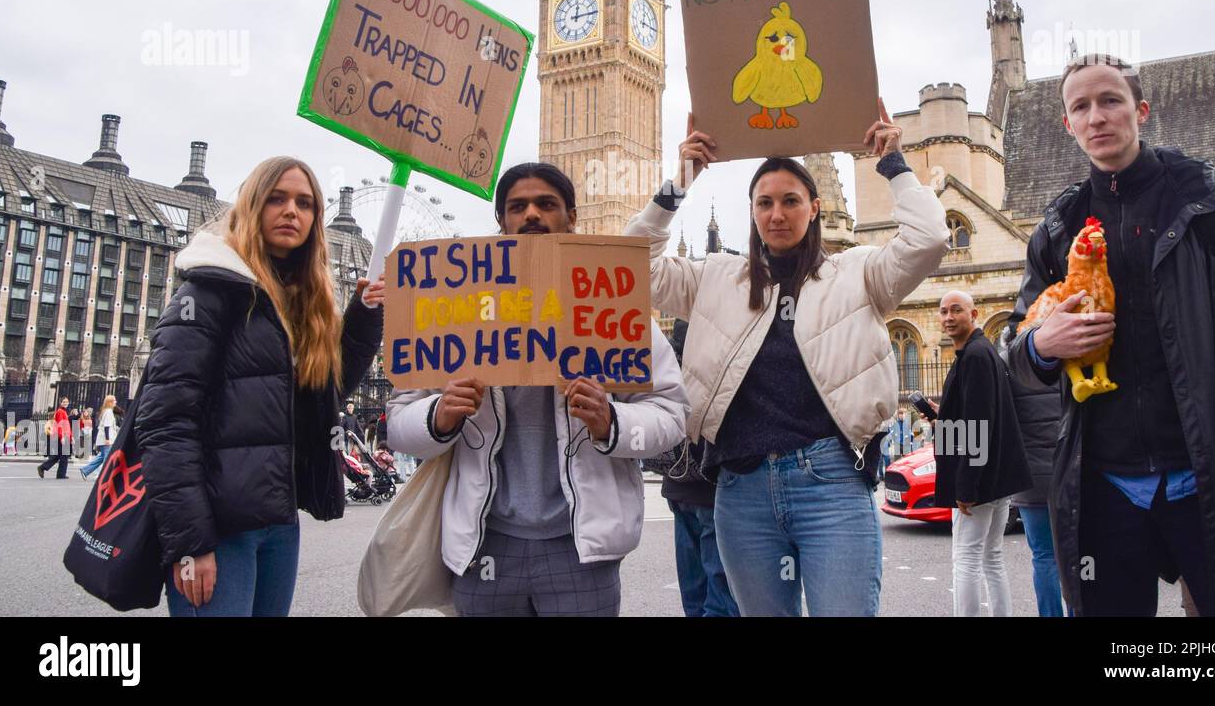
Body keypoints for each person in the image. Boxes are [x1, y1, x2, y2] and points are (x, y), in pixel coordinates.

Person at [624, 107, 949, 616]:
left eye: (791, 201)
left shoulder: (858, 274)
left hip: (832, 483)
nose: (777, 214)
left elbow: (929, 239)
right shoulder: (714, 279)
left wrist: (894, 165)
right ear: (752, 211)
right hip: (740, 488)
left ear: (815, 208)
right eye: (765, 203)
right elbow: (629, 263)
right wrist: (679, 182)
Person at [1004, 53, 1215, 616]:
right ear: (1067, 125)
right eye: (1080, 107)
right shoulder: (1059, 227)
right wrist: (1042, 343)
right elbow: (1016, 345)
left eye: (1110, 100)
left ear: (1142, 109)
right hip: (1105, 486)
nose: (1097, 117)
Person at [388, 162, 688, 617]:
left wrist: (613, 423)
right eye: (517, 206)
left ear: (571, 218)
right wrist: (438, 416)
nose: (531, 214)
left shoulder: (612, 301)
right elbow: (398, 425)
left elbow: (670, 415)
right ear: (501, 222)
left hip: (580, 547)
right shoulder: (458, 307)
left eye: (546, 204)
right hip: (484, 544)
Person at [136, 157, 385, 617]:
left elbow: (325, 394)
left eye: (305, 203)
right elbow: (165, 424)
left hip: (278, 523)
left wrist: (365, 316)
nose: (292, 211)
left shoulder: (297, 302)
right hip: (218, 528)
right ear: (251, 206)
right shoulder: (208, 293)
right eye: (278, 198)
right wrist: (191, 543)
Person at [936, 290, 1031, 617]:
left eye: (956, 310)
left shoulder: (974, 356)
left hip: (980, 479)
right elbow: (976, 412)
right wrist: (942, 415)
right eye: (944, 311)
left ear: (974, 315)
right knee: (991, 557)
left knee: (966, 559)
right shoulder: (981, 352)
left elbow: (978, 423)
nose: (948, 317)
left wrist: (966, 487)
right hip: (997, 477)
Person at [659, 319, 739, 618]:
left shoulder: (673, 348)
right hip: (709, 486)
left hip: (678, 482)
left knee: (694, 597)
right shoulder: (718, 332)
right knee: (720, 600)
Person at [1000, 312, 1067, 617]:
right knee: (1078, 555)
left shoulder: (1009, 371)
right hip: (1068, 474)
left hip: (1032, 480)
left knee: (1043, 557)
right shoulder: (1065, 365)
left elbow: (996, 422)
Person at [79, 395, 118, 481]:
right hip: (106, 439)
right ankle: (104, 476)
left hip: (104, 439)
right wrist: (107, 439)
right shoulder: (108, 412)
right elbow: (107, 426)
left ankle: (85, 470)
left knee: (102, 457)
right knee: (107, 458)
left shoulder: (107, 411)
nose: (116, 402)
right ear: (110, 402)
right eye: (114, 401)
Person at [37, 397, 73, 479]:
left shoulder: (63, 412)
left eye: (67, 402)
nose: (65, 403)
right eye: (64, 402)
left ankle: (43, 467)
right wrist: (63, 437)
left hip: (63, 436)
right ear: (60, 403)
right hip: (62, 437)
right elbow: (60, 426)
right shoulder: (60, 412)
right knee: (64, 456)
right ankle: (60, 474)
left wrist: (71, 437)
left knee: (57, 456)